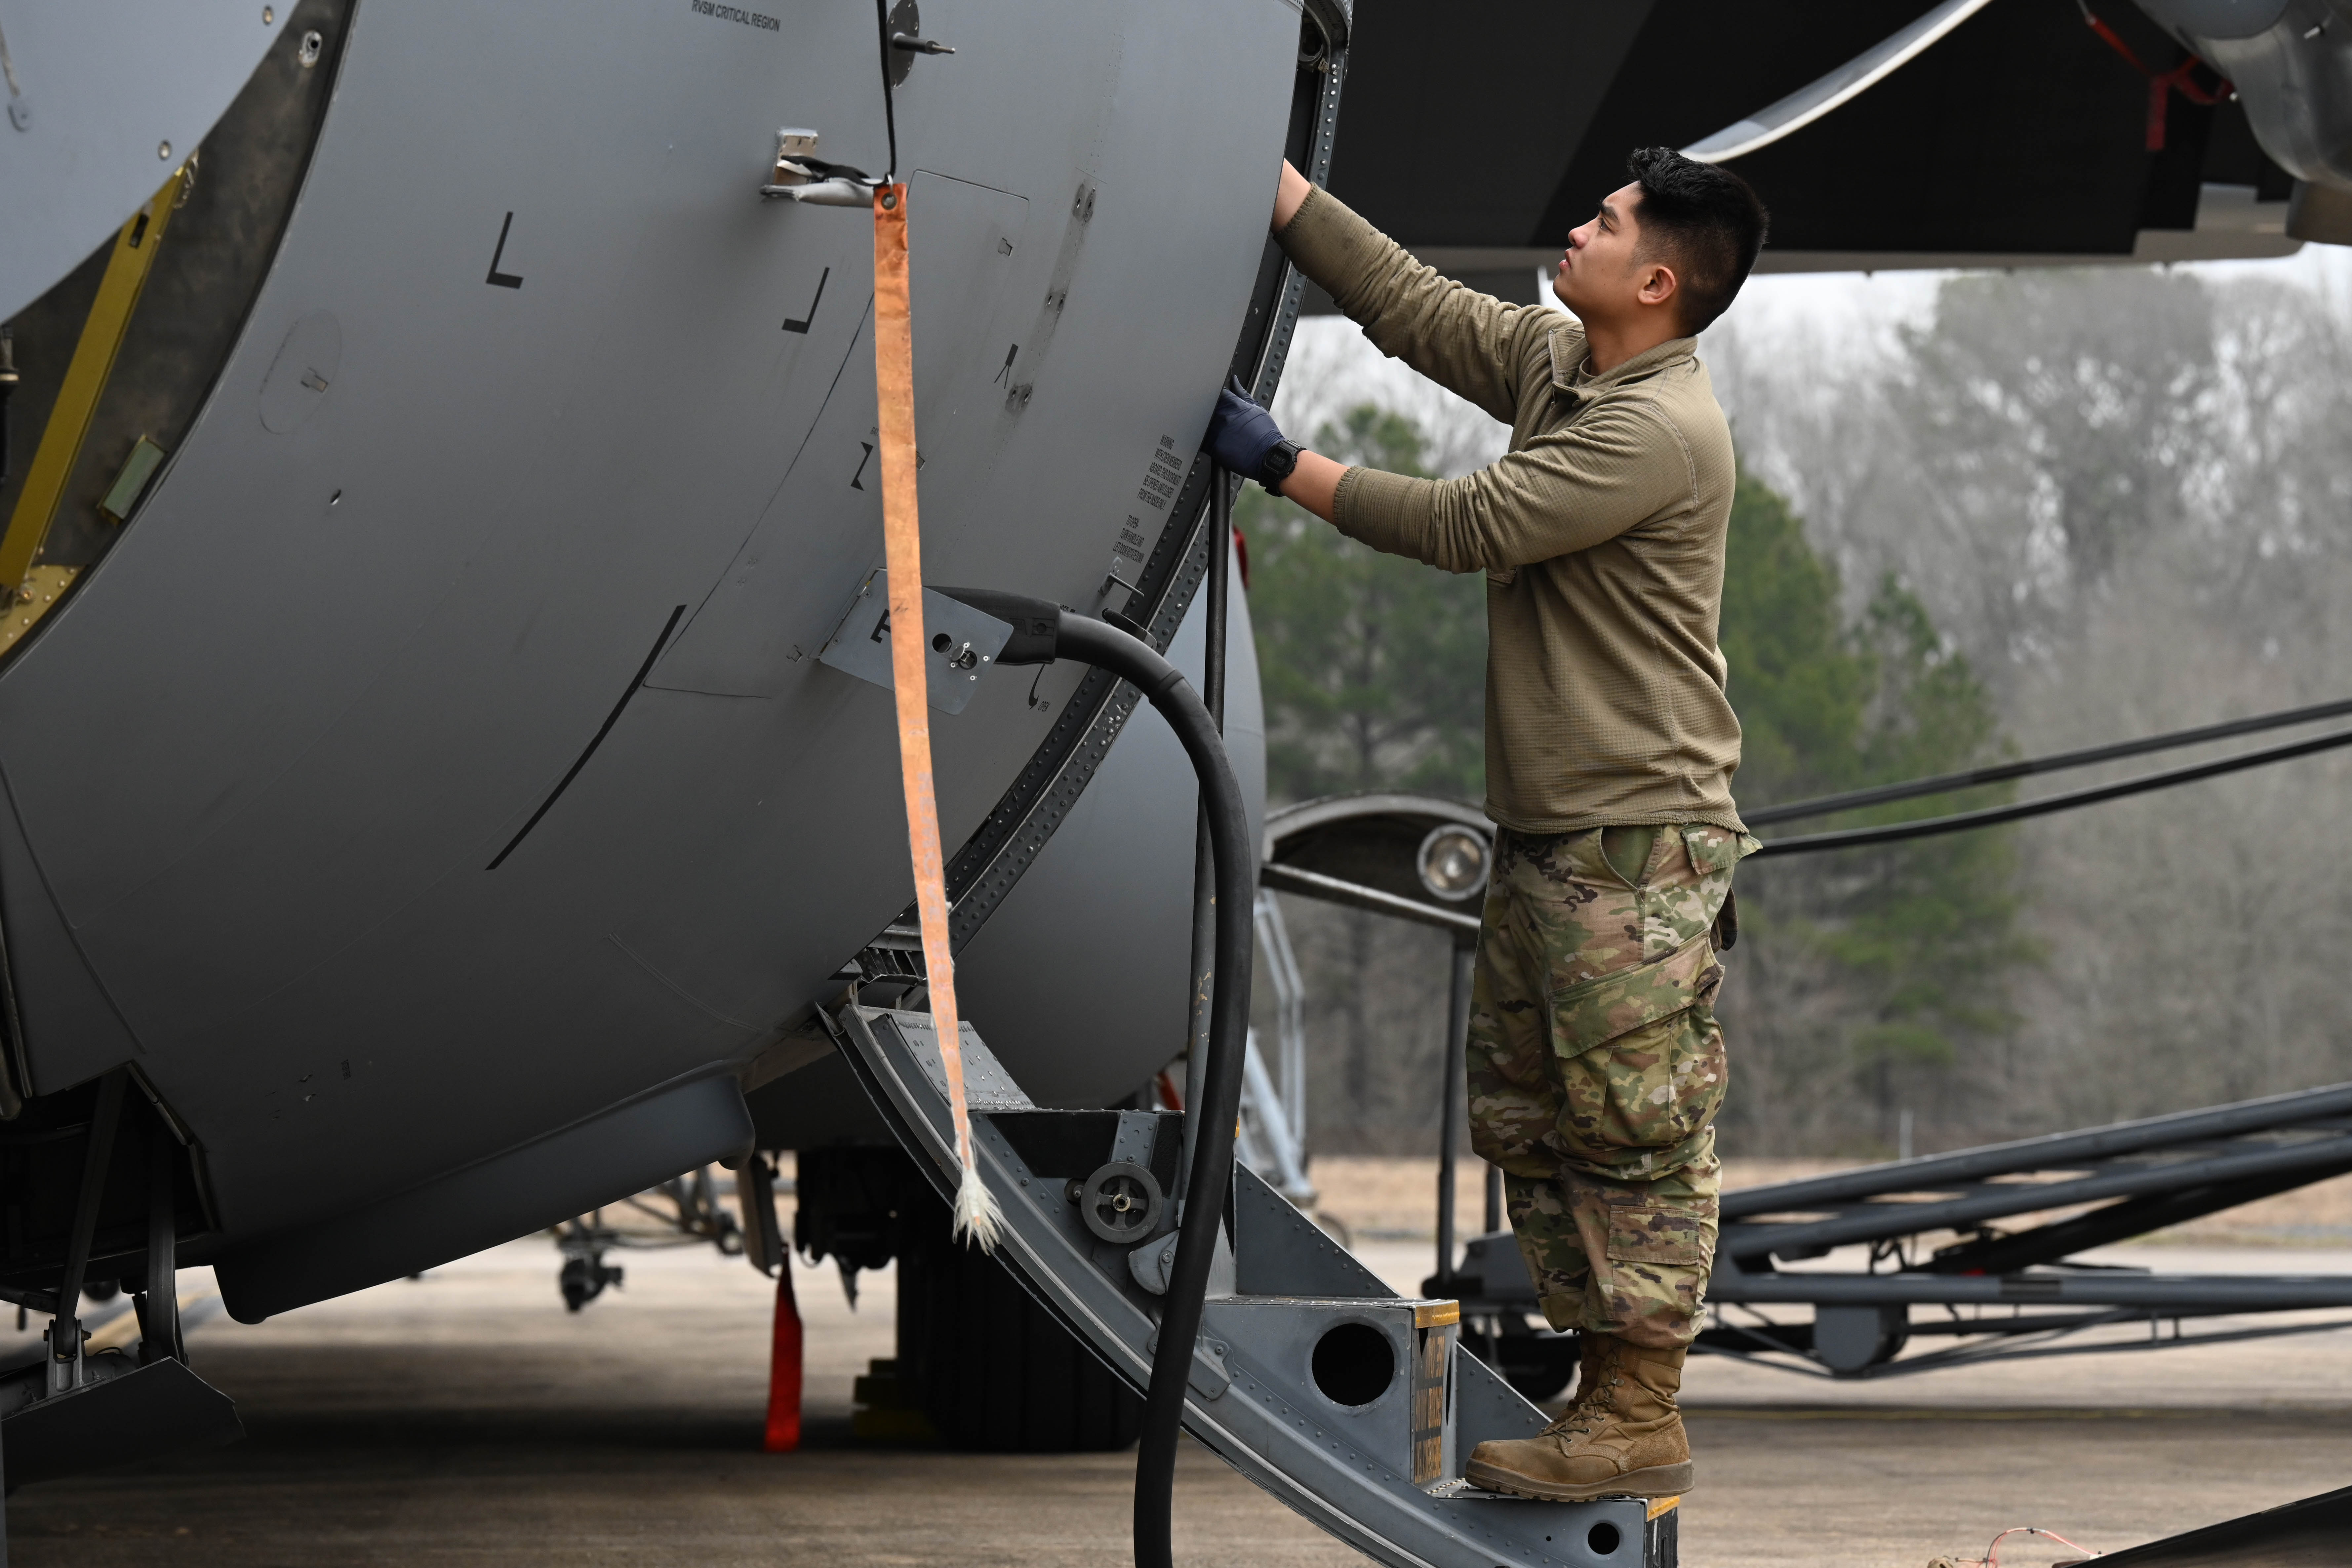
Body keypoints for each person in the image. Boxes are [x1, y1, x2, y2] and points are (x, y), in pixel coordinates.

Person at [1203, 147, 1769, 1502]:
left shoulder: (1656, 429)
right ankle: (1600, 1392)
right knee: (1531, 1115)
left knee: (1633, 1127)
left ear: (1655, 282)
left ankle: (1639, 1409)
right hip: (1553, 835)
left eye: (1606, 223)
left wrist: (1284, 465)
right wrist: (1276, 186)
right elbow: (1412, 304)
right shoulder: (1564, 368)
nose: (1576, 229)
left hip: (1636, 845)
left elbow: (1472, 523)